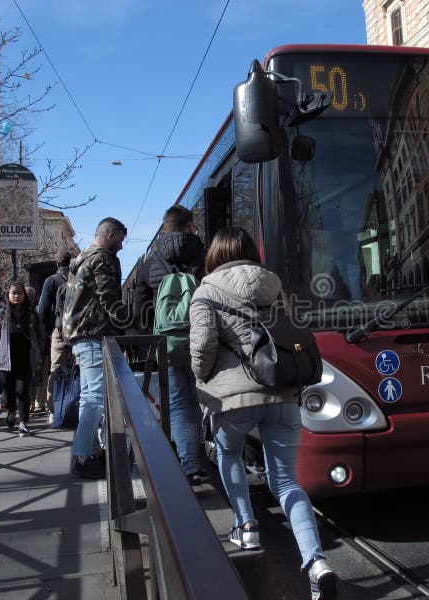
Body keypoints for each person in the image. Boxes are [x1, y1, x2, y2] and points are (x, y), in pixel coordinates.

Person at [189, 227, 337, 600]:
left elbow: (203, 347)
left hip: (233, 399)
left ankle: (246, 524)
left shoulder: (206, 291)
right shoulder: (273, 284)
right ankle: (317, 564)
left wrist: (202, 376)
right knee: (286, 482)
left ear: (214, 255)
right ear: (251, 252)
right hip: (282, 391)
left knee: (229, 454)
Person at [133, 205, 206, 484]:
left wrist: (147, 342)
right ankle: (213, 455)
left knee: (177, 403)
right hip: (202, 338)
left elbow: (140, 309)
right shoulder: (203, 253)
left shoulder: (149, 262)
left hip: (167, 343)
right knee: (204, 398)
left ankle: (190, 463)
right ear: (189, 226)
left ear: (165, 227)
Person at [63, 217, 130, 478]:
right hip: (94, 333)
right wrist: (128, 322)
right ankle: (81, 458)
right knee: (95, 398)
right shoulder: (103, 258)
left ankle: (87, 452)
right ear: (111, 234)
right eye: (121, 240)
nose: (122, 247)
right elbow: (109, 298)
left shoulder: (81, 260)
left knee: (88, 397)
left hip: (79, 335)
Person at [0, 280, 43, 437]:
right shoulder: (0, 314)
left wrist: (38, 351)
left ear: (24, 295)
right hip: (6, 361)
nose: (16, 296)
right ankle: (11, 411)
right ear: (8, 295)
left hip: (25, 359)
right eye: (13, 293)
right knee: (8, 392)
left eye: (19, 293)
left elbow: (40, 335)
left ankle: (23, 422)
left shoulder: (31, 315)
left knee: (23, 391)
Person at [37, 249, 73, 425]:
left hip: (59, 331)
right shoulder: (79, 278)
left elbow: (43, 309)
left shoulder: (51, 281)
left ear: (57, 264)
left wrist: (46, 332)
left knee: (56, 368)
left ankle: (53, 408)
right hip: (78, 331)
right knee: (78, 368)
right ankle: (76, 404)